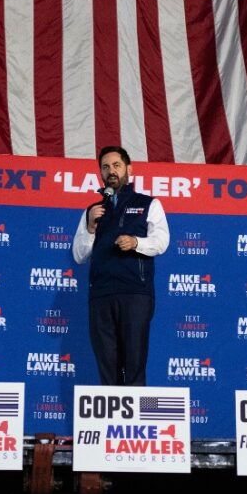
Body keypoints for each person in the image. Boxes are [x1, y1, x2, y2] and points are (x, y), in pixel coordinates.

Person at [71, 146, 170, 386]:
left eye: (116, 165)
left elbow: (162, 241)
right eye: (105, 167)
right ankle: (110, 420)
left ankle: (134, 421)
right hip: (101, 295)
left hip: (135, 293)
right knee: (107, 365)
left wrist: (136, 242)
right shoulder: (92, 211)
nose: (111, 171)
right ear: (100, 174)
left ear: (129, 169)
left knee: (134, 362)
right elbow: (79, 255)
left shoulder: (148, 203)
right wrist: (91, 227)